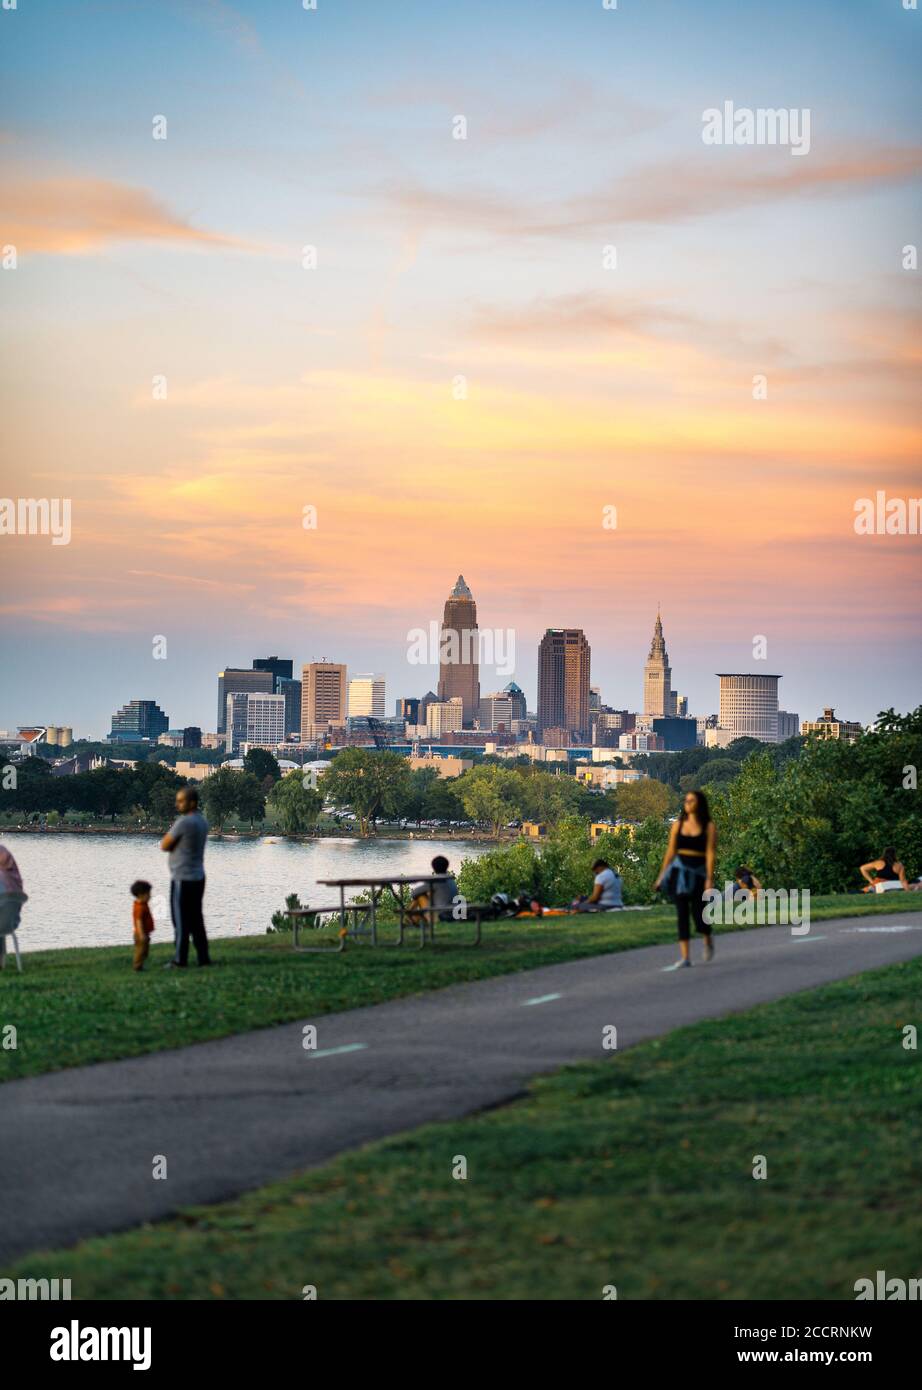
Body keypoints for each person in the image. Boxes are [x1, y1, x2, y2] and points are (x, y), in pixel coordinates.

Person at [654, 789, 717, 966]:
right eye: (686, 801)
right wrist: (661, 876)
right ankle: (685, 957)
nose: (688, 804)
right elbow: (670, 851)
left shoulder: (708, 826)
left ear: (700, 804)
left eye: (692, 801)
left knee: (699, 915)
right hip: (679, 872)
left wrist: (709, 878)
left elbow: (710, 853)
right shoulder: (678, 825)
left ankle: (707, 937)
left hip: (698, 873)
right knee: (682, 914)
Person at [160, 786, 211, 968]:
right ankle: (203, 957)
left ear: (192, 803)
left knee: (180, 920)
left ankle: (180, 960)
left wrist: (174, 845)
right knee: (196, 919)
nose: (177, 804)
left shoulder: (184, 822)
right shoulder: (203, 821)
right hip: (198, 876)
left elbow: (164, 845)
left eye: (181, 801)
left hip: (182, 878)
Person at [407, 855, 459, 926]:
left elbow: (413, 893)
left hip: (441, 916)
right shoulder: (451, 879)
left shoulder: (435, 881)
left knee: (420, 896)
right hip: (453, 913)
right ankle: (412, 919)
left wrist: (426, 892)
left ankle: (409, 916)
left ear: (433, 868)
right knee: (429, 894)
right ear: (447, 866)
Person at [130, 879, 155, 972]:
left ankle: (140, 964)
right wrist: (141, 934)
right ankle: (137, 966)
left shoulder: (143, 904)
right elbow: (138, 922)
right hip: (141, 934)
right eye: (148, 894)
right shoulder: (139, 908)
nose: (150, 896)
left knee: (145, 951)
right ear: (141, 895)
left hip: (145, 933)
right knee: (140, 951)